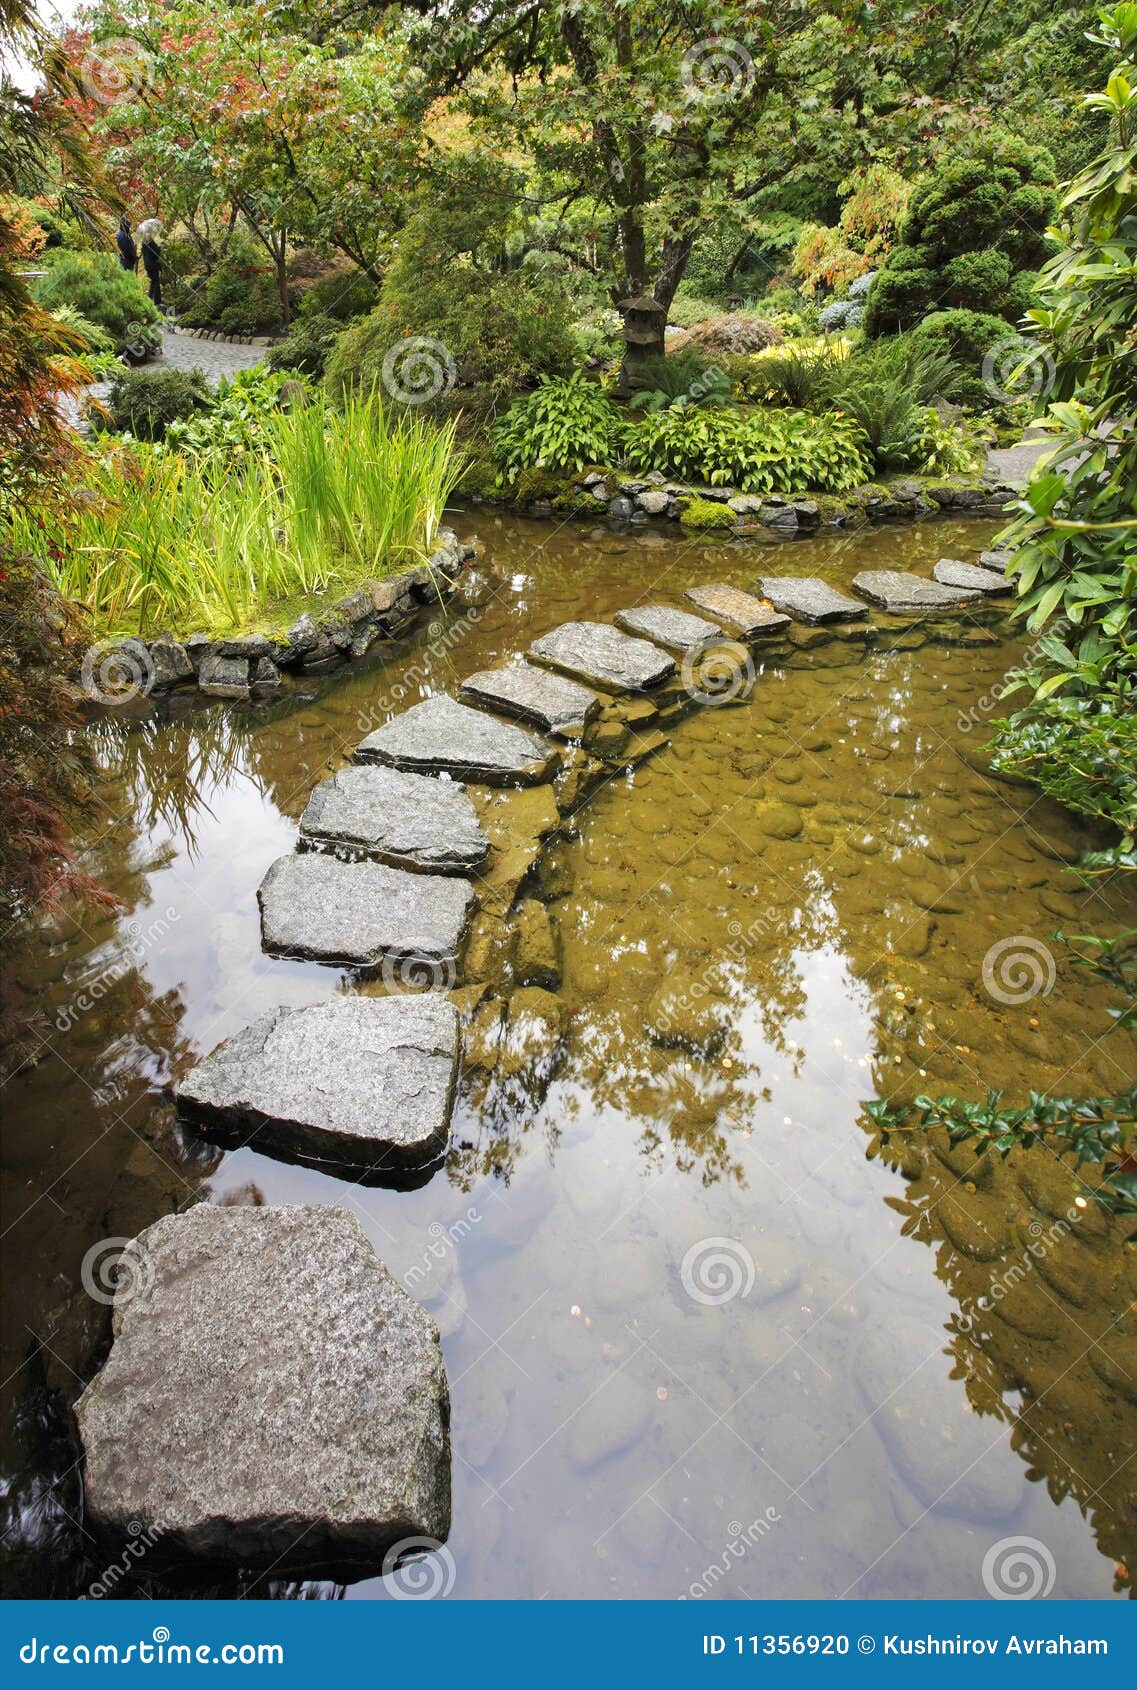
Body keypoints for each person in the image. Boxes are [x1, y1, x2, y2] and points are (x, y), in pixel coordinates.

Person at [138, 220, 163, 308]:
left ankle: (157, 301)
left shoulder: (144, 240)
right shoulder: (149, 240)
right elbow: (155, 252)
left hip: (148, 264)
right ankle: (152, 300)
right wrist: (160, 247)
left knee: (154, 281)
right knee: (154, 282)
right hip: (152, 264)